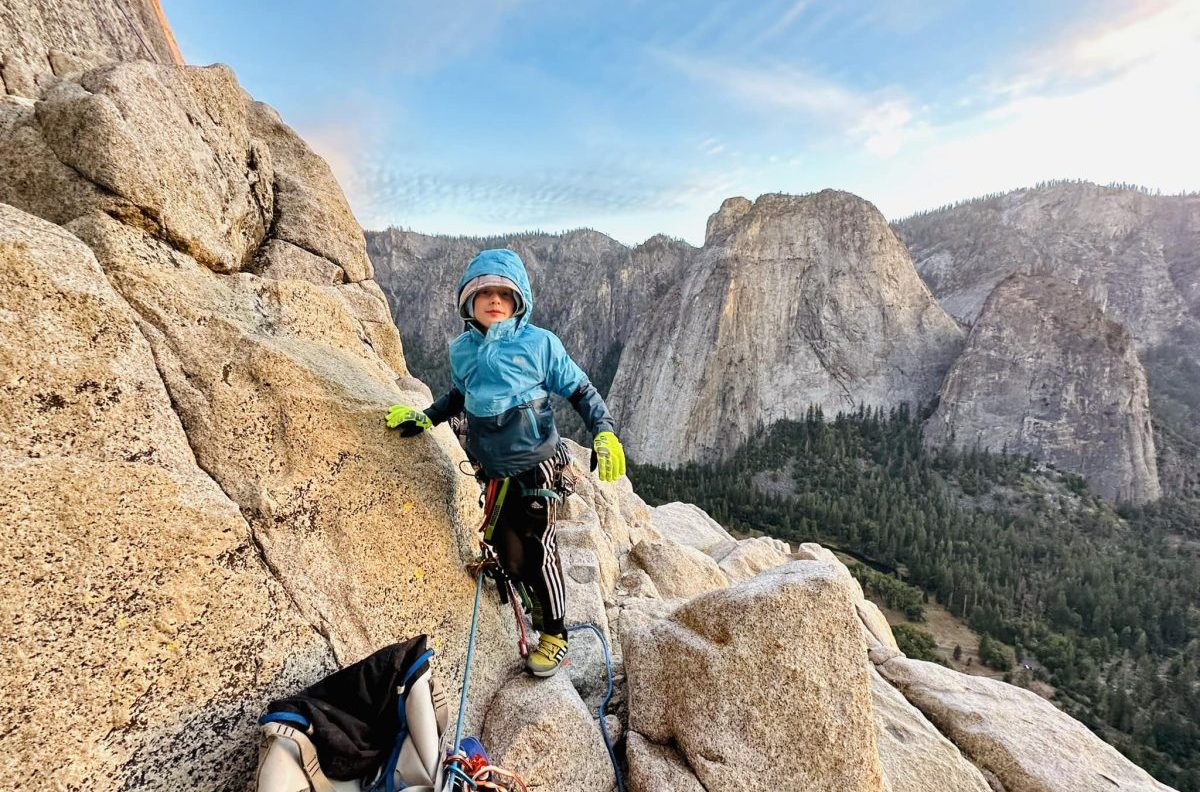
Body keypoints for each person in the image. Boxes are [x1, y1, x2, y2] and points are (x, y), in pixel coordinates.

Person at [385, 248, 626, 677]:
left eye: (504, 293)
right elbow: (460, 395)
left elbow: (581, 391)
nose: (495, 300)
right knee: (503, 545)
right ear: (468, 302)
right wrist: (426, 418)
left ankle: (555, 634)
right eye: (485, 293)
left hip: (537, 468)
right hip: (493, 472)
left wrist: (603, 430)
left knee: (538, 551)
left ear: (518, 302)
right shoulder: (463, 350)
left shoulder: (540, 344)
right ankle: (523, 586)